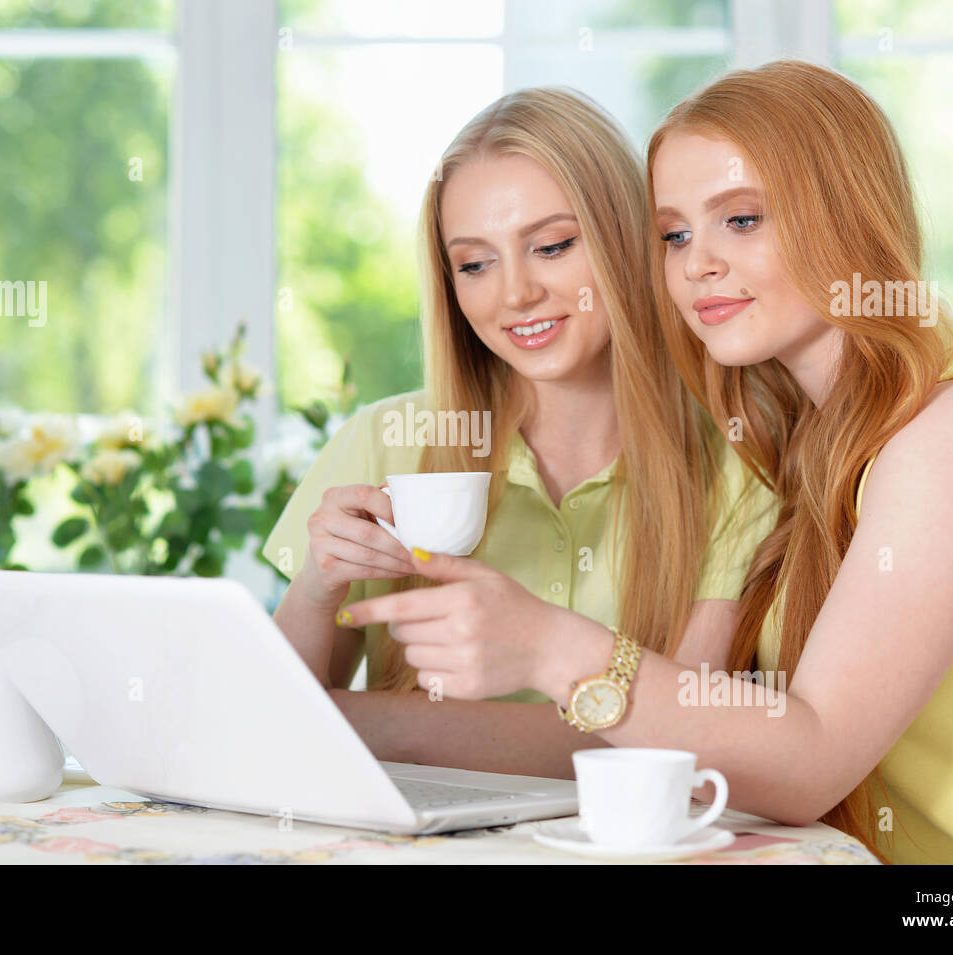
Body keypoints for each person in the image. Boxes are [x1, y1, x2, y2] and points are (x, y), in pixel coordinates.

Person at [340, 61, 953, 864]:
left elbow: (811, 758)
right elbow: (748, 734)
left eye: (742, 220)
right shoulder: (805, 437)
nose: (697, 263)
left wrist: (552, 649)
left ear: (846, 215)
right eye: (674, 234)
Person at [261, 87, 777, 781]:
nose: (514, 295)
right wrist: (318, 591)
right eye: (474, 264)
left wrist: (366, 718)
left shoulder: (735, 456)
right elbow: (268, 723)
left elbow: (675, 740)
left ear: (630, 236)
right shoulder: (386, 440)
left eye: (553, 246)